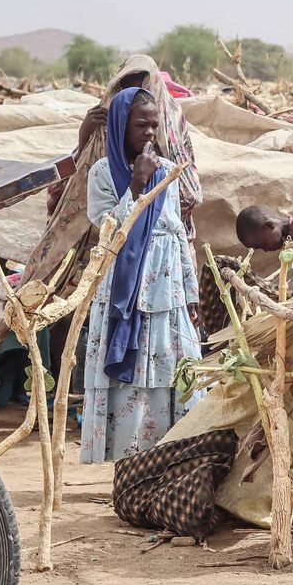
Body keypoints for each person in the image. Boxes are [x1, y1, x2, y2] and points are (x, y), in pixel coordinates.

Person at [82, 87, 202, 463]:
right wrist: (135, 184)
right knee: (129, 377)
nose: (149, 132)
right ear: (121, 126)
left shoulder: (168, 171)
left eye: (154, 125)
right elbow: (108, 228)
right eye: (140, 125)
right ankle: (128, 463)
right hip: (124, 290)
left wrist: (192, 292)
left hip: (166, 291)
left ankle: (167, 460)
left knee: (173, 370)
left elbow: (178, 232)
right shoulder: (102, 173)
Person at [31, 54, 202, 295]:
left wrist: (153, 176)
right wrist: (84, 136)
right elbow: (73, 186)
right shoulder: (106, 119)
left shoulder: (169, 122)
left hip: (162, 252)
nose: (133, 92)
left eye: (140, 84)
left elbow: (189, 192)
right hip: (110, 241)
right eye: (126, 84)